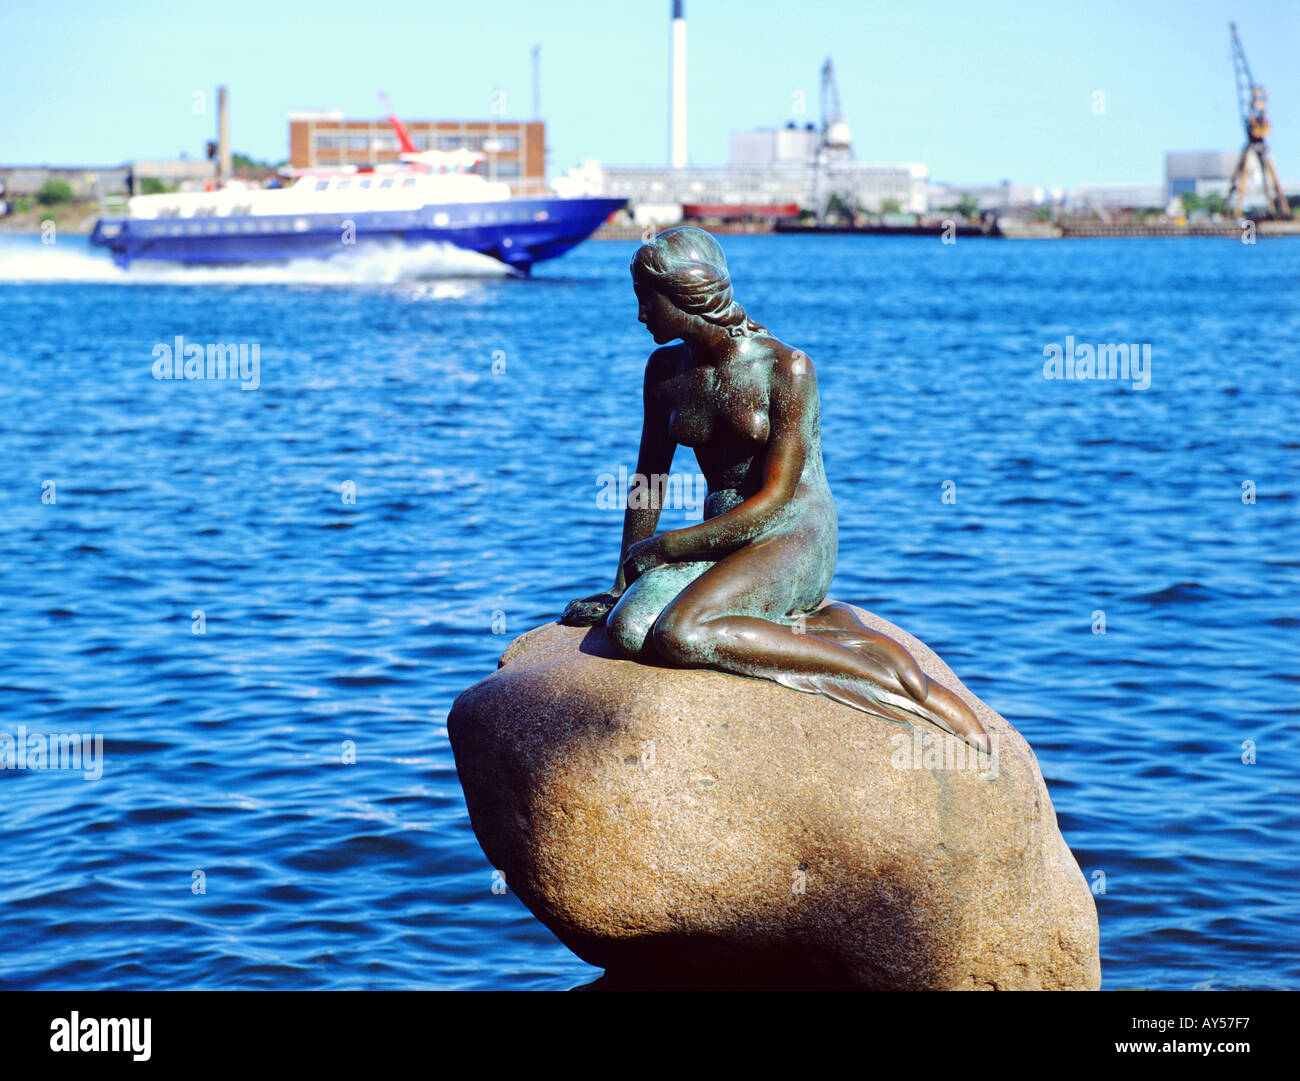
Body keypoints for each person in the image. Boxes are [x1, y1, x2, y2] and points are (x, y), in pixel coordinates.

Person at [563, 227, 988, 751]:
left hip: (793, 531)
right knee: (629, 627)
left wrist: (667, 547)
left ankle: (892, 684)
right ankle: (816, 624)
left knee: (681, 633)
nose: (640, 316)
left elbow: (776, 499)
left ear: (687, 296)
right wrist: (620, 576)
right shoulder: (664, 372)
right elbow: (650, 477)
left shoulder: (787, 368)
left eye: (647, 302)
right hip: (721, 535)